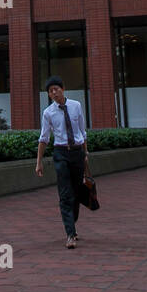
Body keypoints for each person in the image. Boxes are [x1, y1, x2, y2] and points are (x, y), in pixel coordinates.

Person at [35, 77, 88, 248]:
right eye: (50, 91)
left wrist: (85, 153)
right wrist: (39, 162)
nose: (54, 93)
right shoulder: (48, 113)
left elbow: (82, 131)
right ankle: (70, 234)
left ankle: (72, 223)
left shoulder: (76, 106)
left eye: (56, 89)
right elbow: (44, 138)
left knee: (77, 192)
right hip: (61, 153)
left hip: (77, 153)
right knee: (65, 194)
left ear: (63, 89)